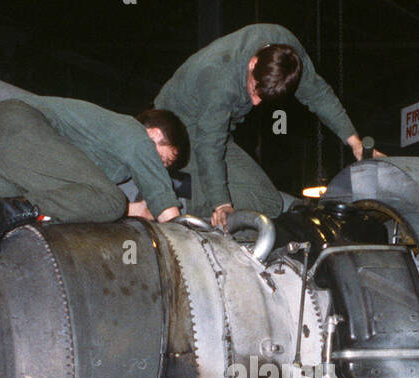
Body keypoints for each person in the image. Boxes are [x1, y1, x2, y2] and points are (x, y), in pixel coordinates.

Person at [155, 23, 378, 227]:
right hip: (176, 130)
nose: (255, 102)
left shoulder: (288, 57)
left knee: (270, 204)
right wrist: (221, 203)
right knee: (224, 209)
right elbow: (209, 145)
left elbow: (319, 95)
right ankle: (184, 206)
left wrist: (355, 142)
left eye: (263, 98)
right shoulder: (220, 78)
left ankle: (196, 192)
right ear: (253, 64)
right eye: (254, 90)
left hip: (216, 131)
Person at [0, 98, 189, 258]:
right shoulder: (133, 133)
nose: (160, 168)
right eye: (163, 160)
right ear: (153, 133)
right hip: (9, 126)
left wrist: (132, 210)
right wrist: (182, 234)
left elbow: (80, 199)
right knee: (110, 200)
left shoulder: (101, 157)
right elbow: (158, 200)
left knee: (4, 233)